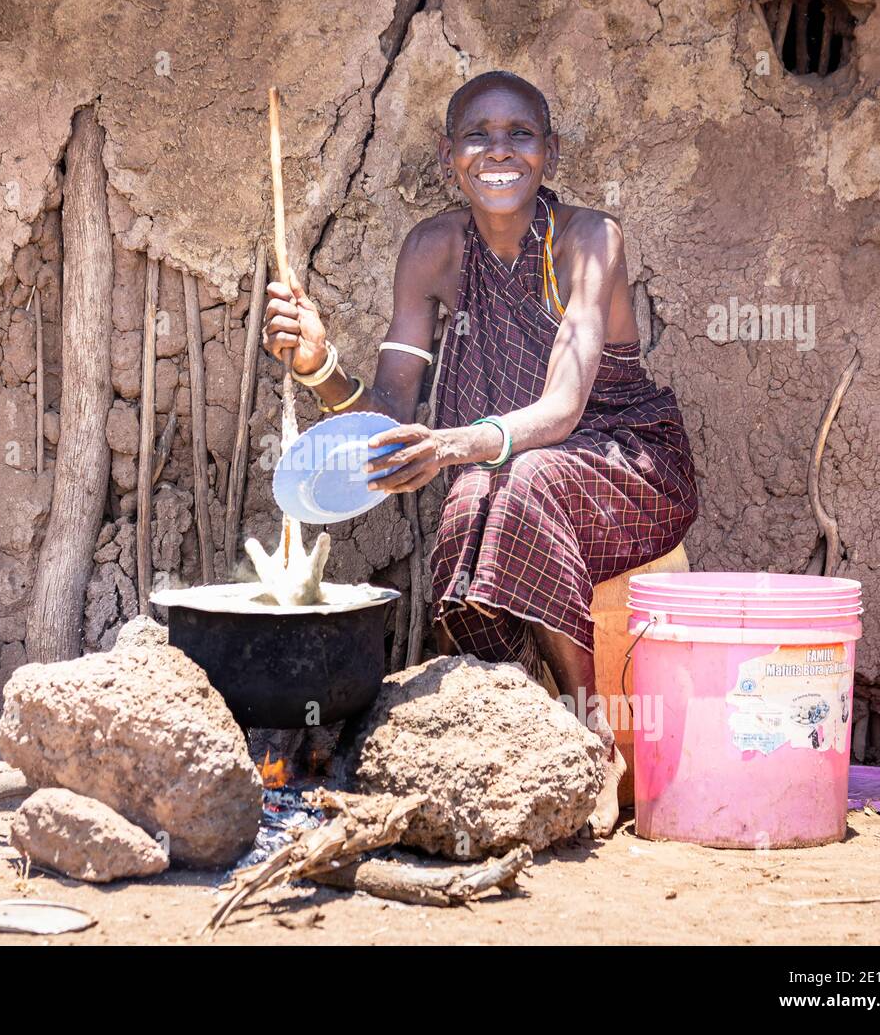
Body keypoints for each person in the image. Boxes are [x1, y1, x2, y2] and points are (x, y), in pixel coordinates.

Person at [262, 70, 698, 836]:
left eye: (520, 135)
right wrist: (319, 365)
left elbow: (565, 408)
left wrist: (458, 442)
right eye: (478, 135)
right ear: (448, 156)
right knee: (467, 497)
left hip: (629, 461)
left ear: (550, 153)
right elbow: (392, 420)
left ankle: (593, 736)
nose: (499, 152)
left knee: (517, 477)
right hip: (516, 471)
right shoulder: (431, 251)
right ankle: (501, 724)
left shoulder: (590, 240)